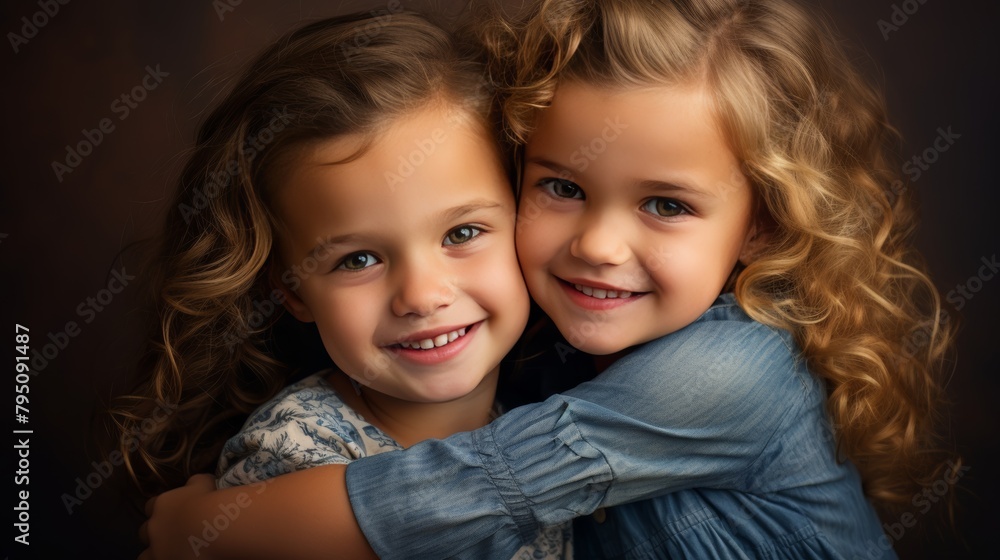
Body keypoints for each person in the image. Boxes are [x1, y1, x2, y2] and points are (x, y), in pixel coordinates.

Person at [138, 1, 957, 559]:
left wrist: (203, 529)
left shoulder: (734, 375)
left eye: (666, 204)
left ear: (762, 225)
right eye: (564, 187)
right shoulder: (543, 360)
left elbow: (477, 488)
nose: (599, 245)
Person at [113, 9, 574, 560]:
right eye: (357, 260)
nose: (423, 296)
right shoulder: (296, 455)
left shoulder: (538, 425)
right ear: (290, 291)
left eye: (463, 232)